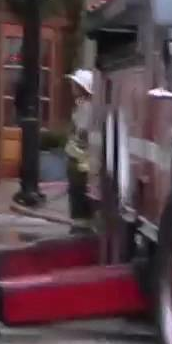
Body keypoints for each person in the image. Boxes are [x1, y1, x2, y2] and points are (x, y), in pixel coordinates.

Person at [64, 69, 96, 233]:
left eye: (75, 84)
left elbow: (82, 132)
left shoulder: (86, 107)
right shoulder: (82, 105)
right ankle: (80, 226)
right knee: (77, 194)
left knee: (78, 194)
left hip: (80, 162)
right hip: (79, 160)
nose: (72, 86)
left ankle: (80, 230)